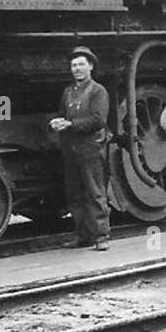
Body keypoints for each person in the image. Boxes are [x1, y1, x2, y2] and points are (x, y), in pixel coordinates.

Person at [50, 46, 111, 249]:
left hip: (90, 148)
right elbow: (63, 114)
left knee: (94, 193)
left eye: (81, 64)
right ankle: (82, 235)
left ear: (90, 66)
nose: (77, 69)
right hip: (71, 149)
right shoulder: (68, 92)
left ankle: (101, 236)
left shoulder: (98, 91)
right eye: (74, 65)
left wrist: (70, 125)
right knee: (75, 194)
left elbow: (98, 119)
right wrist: (58, 122)